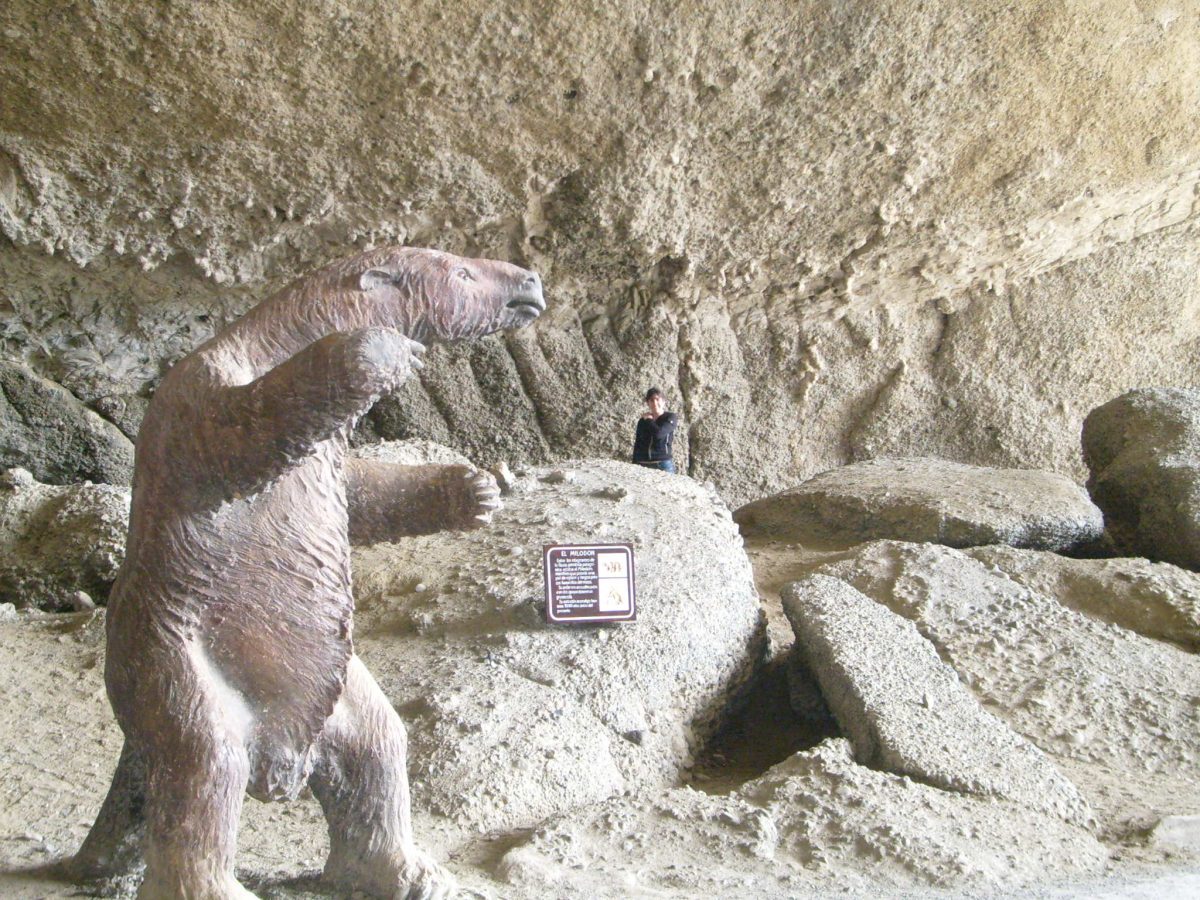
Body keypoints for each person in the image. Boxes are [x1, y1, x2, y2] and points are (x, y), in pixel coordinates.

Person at [632, 387, 678, 473]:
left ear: (663, 401)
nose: (655, 403)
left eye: (657, 399)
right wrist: (634, 463)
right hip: (642, 463)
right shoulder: (643, 421)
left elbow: (659, 434)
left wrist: (649, 420)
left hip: (662, 463)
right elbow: (638, 442)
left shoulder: (670, 417)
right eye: (651, 400)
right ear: (648, 403)